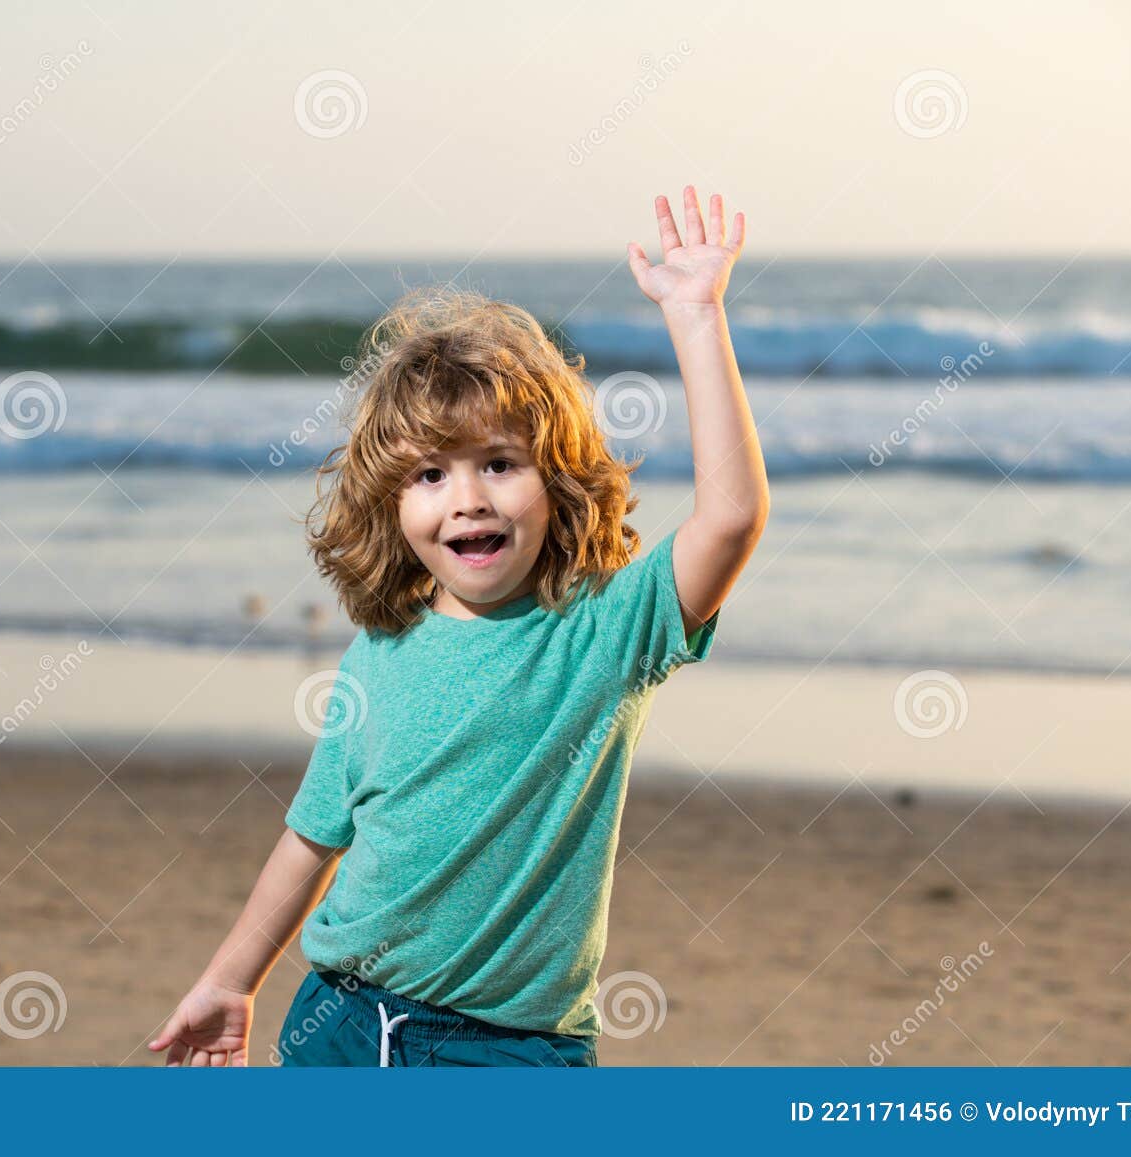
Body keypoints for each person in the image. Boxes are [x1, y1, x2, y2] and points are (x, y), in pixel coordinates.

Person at [148, 185, 770, 1067]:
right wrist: (228, 980)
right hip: (342, 1023)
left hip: (514, 1052)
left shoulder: (605, 630)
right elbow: (314, 835)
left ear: (557, 481)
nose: (467, 497)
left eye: (499, 463)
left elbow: (731, 519)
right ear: (389, 504)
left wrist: (697, 316)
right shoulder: (381, 648)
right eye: (429, 475)